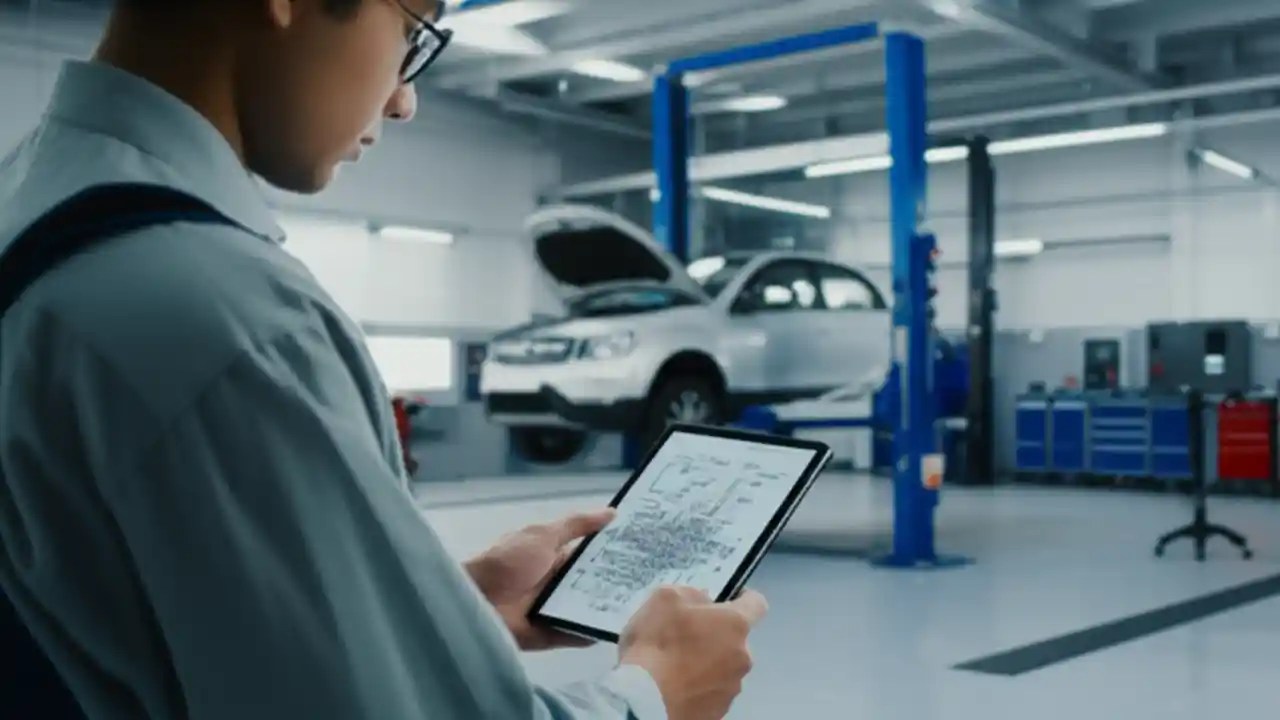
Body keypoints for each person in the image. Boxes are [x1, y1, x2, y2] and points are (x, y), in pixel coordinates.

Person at [0, 1, 769, 719]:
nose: (404, 101)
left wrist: (429, 612)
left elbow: (122, 622)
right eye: (414, 31)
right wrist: (657, 693)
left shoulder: (34, 207)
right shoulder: (223, 317)